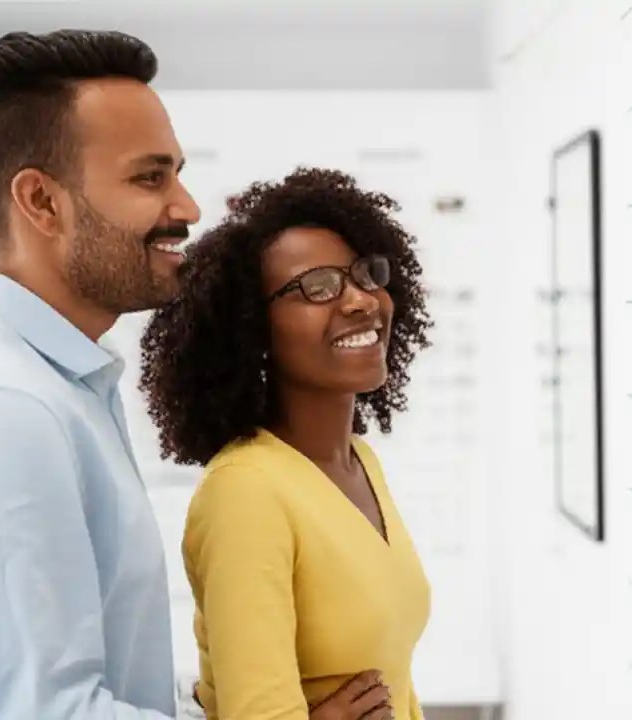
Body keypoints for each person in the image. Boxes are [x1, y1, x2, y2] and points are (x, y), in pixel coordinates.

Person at [0, 30, 382, 720]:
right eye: (150, 177)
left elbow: (103, 682)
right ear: (41, 202)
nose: (188, 207)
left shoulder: (56, 386)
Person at [138, 167, 435, 720]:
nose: (360, 301)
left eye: (365, 276)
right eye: (316, 287)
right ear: (252, 330)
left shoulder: (359, 462)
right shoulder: (245, 493)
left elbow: (395, 685)